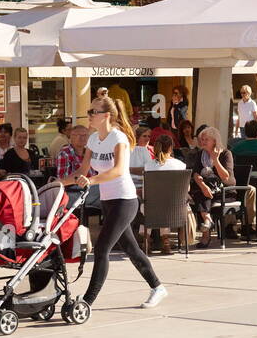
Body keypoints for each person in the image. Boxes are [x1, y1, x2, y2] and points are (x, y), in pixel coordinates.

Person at [60, 96, 166, 309]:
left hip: (125, 200)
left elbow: (118, 170)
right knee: (132, 248)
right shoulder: (93, 139)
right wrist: (58, 183)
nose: (89, 115)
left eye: (93, 112)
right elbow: (81, 171)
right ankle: (158, 287)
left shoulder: (119, 138)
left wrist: (91, 180)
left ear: (106, 115)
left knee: (101, 249)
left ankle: (88, 301)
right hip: (108, 201)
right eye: (89, 111)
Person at [144, 133, 190, 255]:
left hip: (152, 209)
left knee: (148, 203)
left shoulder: (148, 166)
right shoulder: (180, 165)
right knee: (165, 202)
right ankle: (166, 242)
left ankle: (146, 241)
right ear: (170, 148)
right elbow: (187, 188)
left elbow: (146, 191)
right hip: (175, 208)